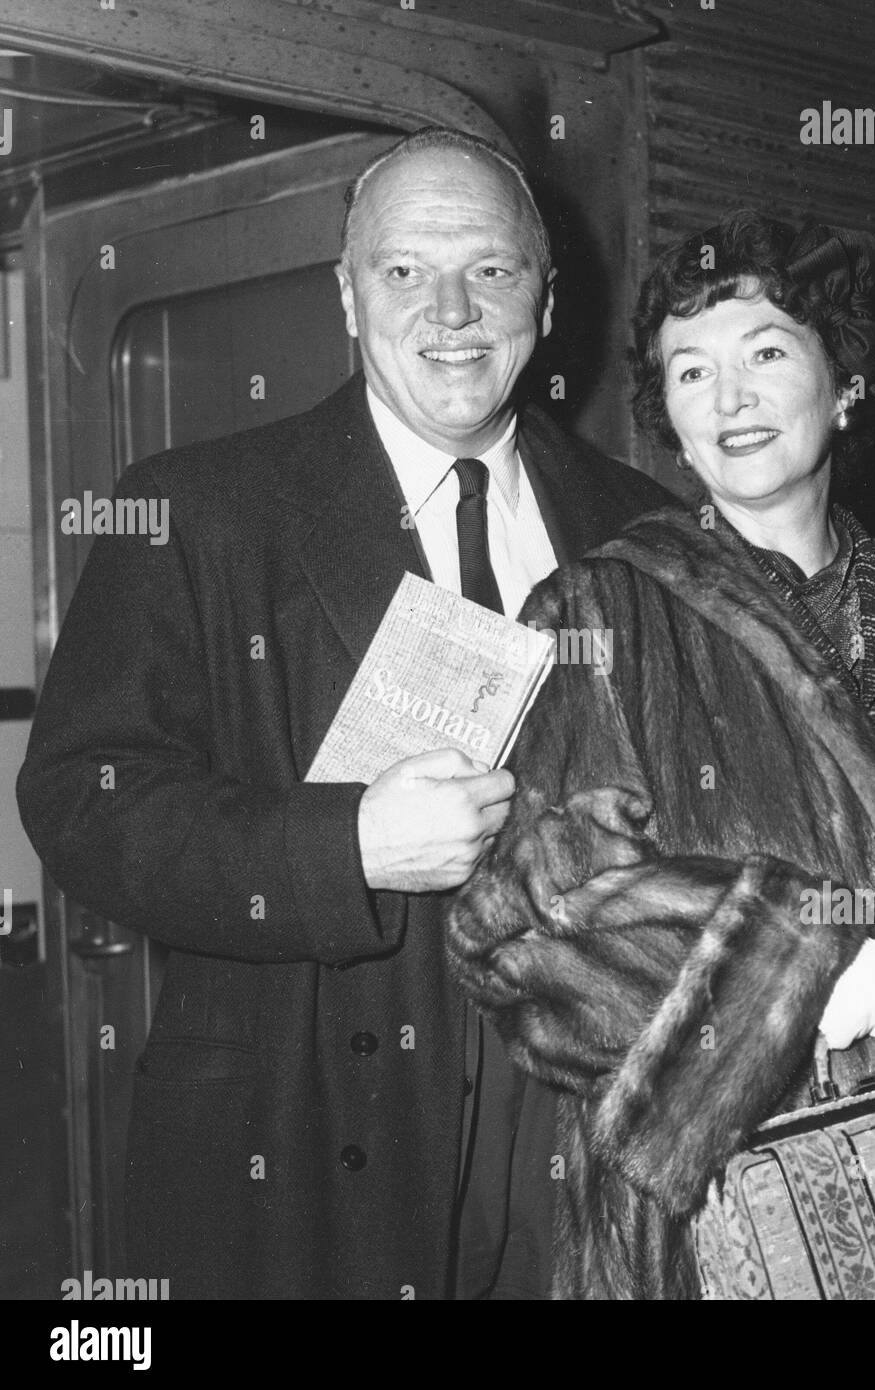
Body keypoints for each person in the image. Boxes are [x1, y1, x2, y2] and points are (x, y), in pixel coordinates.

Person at [16, 126, 673, 1300]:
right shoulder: (195, 507)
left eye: (491, 269)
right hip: (302, 1137)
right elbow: (81, 800)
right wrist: (345, 846)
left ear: (546, 295)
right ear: (346, 295)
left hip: (575, 1144)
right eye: (403, 271)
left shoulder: (641, 527)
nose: (452, 312)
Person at [446, 210, 875, 1299]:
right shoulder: (592, 610)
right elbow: (526, 920)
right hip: (722, 1214)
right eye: (688, 371)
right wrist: (804, 963)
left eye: (763, 352)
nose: (728, 398)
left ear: (842, 379)